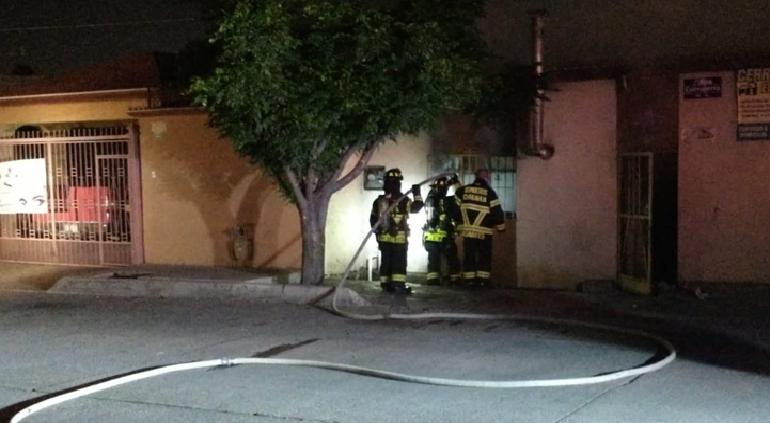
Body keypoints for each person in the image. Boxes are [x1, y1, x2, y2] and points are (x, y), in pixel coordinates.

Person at [370, 168, 423, 295]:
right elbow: (417, 207)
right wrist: (417, 194)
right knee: (398, 262)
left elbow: (373, 220)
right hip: (399, 238)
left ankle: (386, 285)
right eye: (396, 182)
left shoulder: (380, 201)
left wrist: (377, 232)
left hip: (384, 238)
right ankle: (398, 286)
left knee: (386, 262)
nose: (396, 185)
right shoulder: (403, 200)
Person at [453, 169, 505, 288]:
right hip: (484, 233)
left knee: (469, 255)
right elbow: (497, 213)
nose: (490, 179)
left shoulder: (462, 191)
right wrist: (501, 228)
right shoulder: (490, 193)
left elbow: (455, 211)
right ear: (484, 178)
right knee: (484, 256)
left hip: (468, 232)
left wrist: (457, 225)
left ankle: (469, 281)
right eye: (488, 177)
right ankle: (483, 281)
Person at [422, 175, 461, 286]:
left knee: (438, 260)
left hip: (436, 237)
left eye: (445, 188)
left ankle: (438, 280)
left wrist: (454, 182)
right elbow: (433, 219)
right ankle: (449, 280)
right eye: (442, 188)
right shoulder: (437, 199)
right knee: (448, 259)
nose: (443, 190)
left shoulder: (436, 199)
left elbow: (459, 199)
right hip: (441, 236)